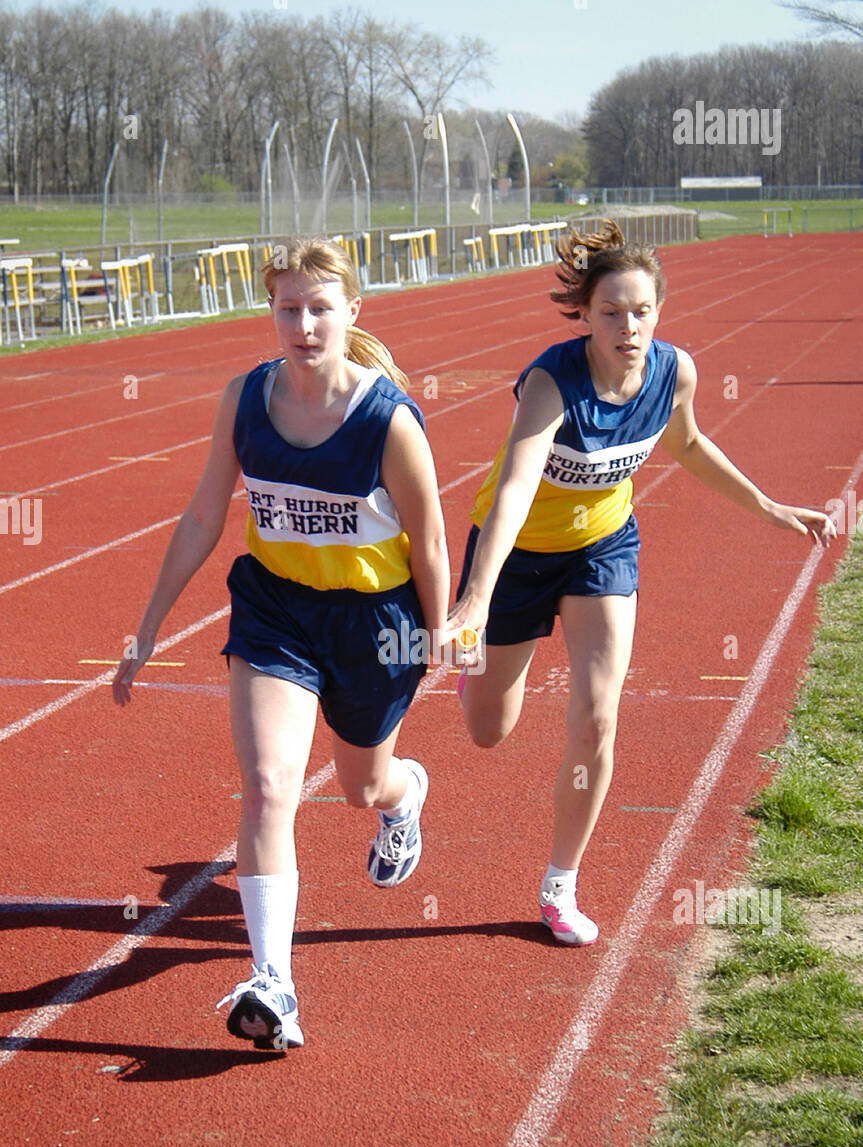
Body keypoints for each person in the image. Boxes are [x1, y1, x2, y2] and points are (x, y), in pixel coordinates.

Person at [444, 220, 836, 948]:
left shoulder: (673, 371)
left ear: (659, 310)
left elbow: (685, 443)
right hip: (518, 552)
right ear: (585, 315)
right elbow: (515, 489)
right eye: (611, 312)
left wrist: (769, 507)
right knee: (487, 732)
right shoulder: (549, 382)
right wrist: (472, 599)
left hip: (602, 549)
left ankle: (560, 885)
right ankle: (481, 681)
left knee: (597, 715)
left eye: (641, 311)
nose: (628, 326)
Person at [113, 236, 448, 1049]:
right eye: (287, 308)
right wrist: (148, 627)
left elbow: (431, 539)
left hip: (375, 623)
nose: (302, 324)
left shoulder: (387, 419)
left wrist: (444, 640)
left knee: (363, 785)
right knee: (268, 785)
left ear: (351, 311)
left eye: (320, 308)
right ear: (270, 310)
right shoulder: (245, 398)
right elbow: (203, 515)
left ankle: (403, 798)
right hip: (275, 613)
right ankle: (275, 982)